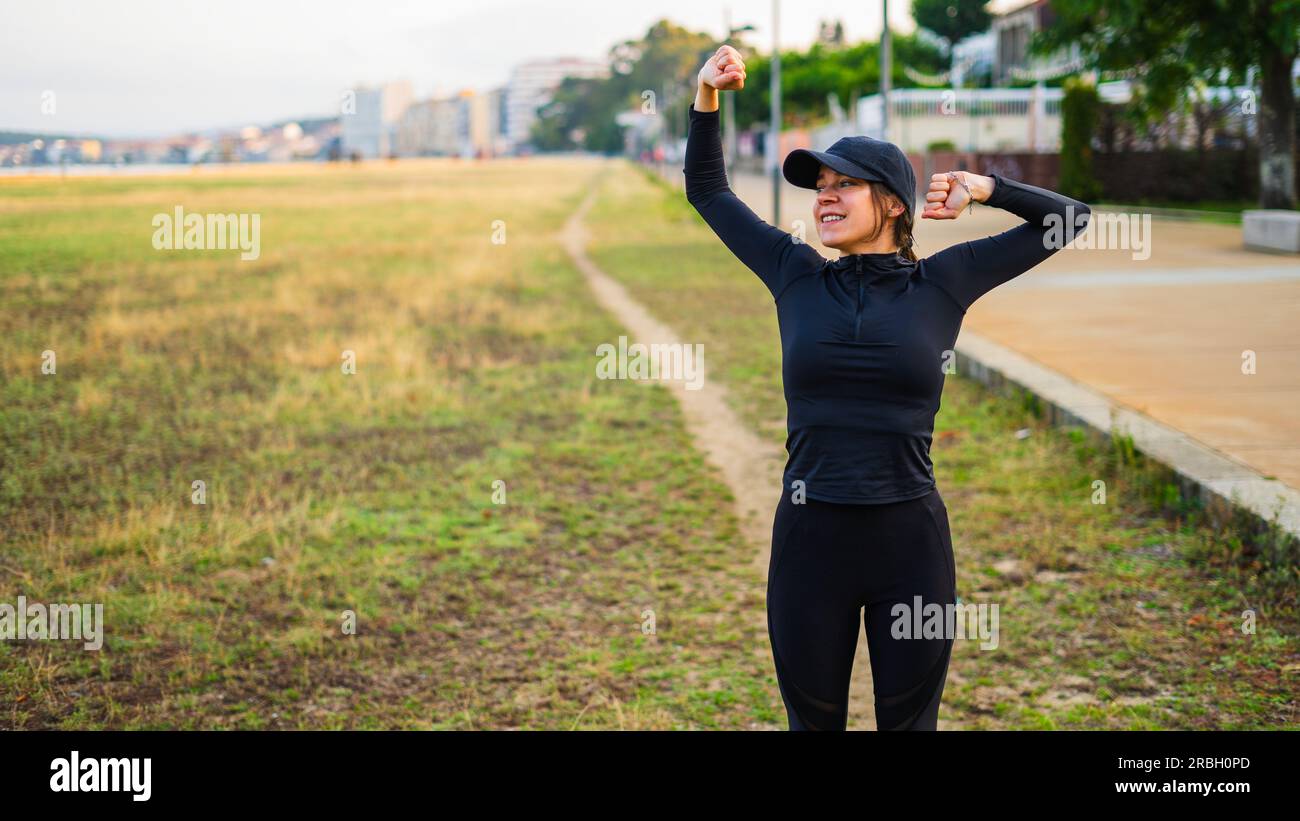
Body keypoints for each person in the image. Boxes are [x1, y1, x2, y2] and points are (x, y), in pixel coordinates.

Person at [684, 45, 1091, 730]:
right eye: (820, 186)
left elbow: (1070, 219)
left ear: (894, 203)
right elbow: (708, 191)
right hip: (810, 542)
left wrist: (986, 188)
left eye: (844, 184)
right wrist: (705, 95)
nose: (826, 196)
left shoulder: (945, 282)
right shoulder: (794, 272)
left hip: (911, 543)